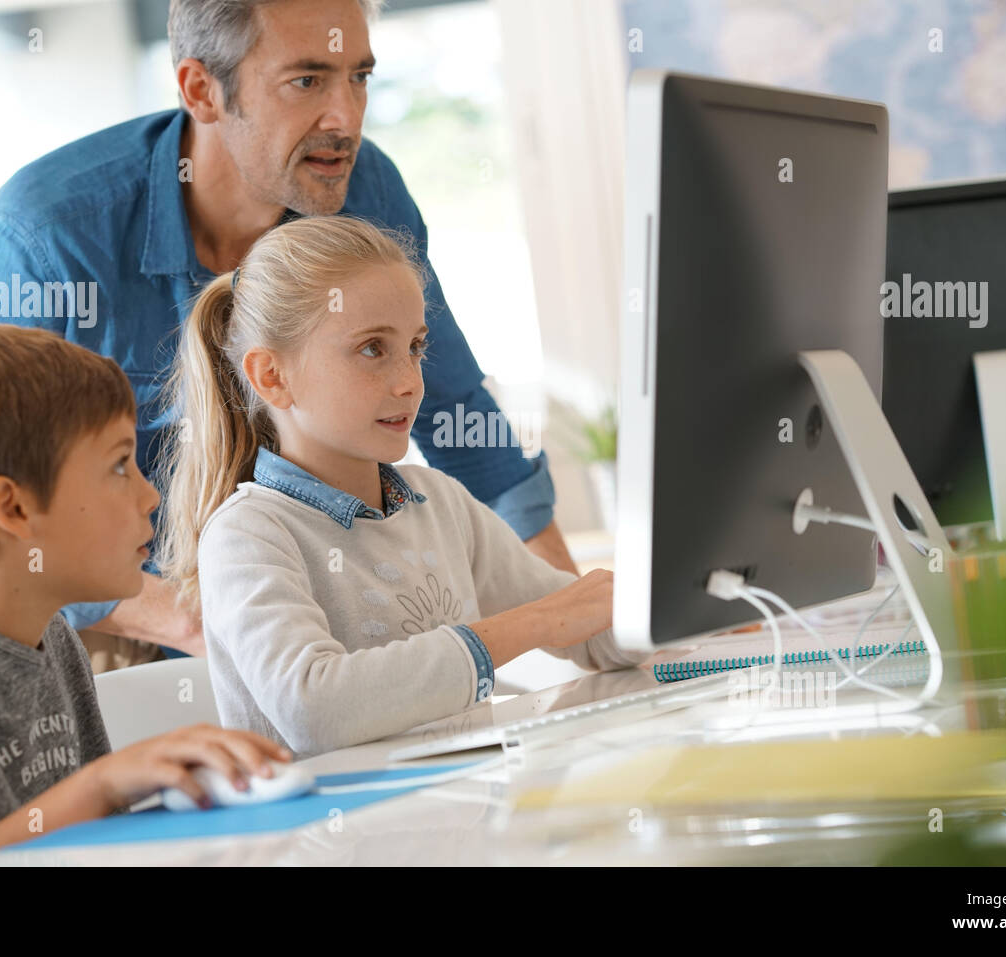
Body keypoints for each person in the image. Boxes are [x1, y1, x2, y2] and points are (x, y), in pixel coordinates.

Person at [0, 0, 578, 661]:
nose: (346, 119)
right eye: (307, 80)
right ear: (201, 89)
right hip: (103, 623)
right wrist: (203, 618)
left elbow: (455, 415)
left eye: (358, 76)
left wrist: (574, 610)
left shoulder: (365, 193)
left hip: (300, 596)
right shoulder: (43, 242)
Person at [154, 215, 647, 757]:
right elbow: (315, 710)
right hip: (337, 838)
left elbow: (586, 631)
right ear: (272, 375)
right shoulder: (247, 535)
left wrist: (674, 609)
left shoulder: (442, 503)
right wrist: (534, 624)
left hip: (465, 819)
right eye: (372, 349)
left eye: (415, 346)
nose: (410, 380)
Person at [0, 325, 292, 866]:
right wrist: (99, 788)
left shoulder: (54, 637)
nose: (150, 496)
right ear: (14, 509)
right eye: (120, 464)